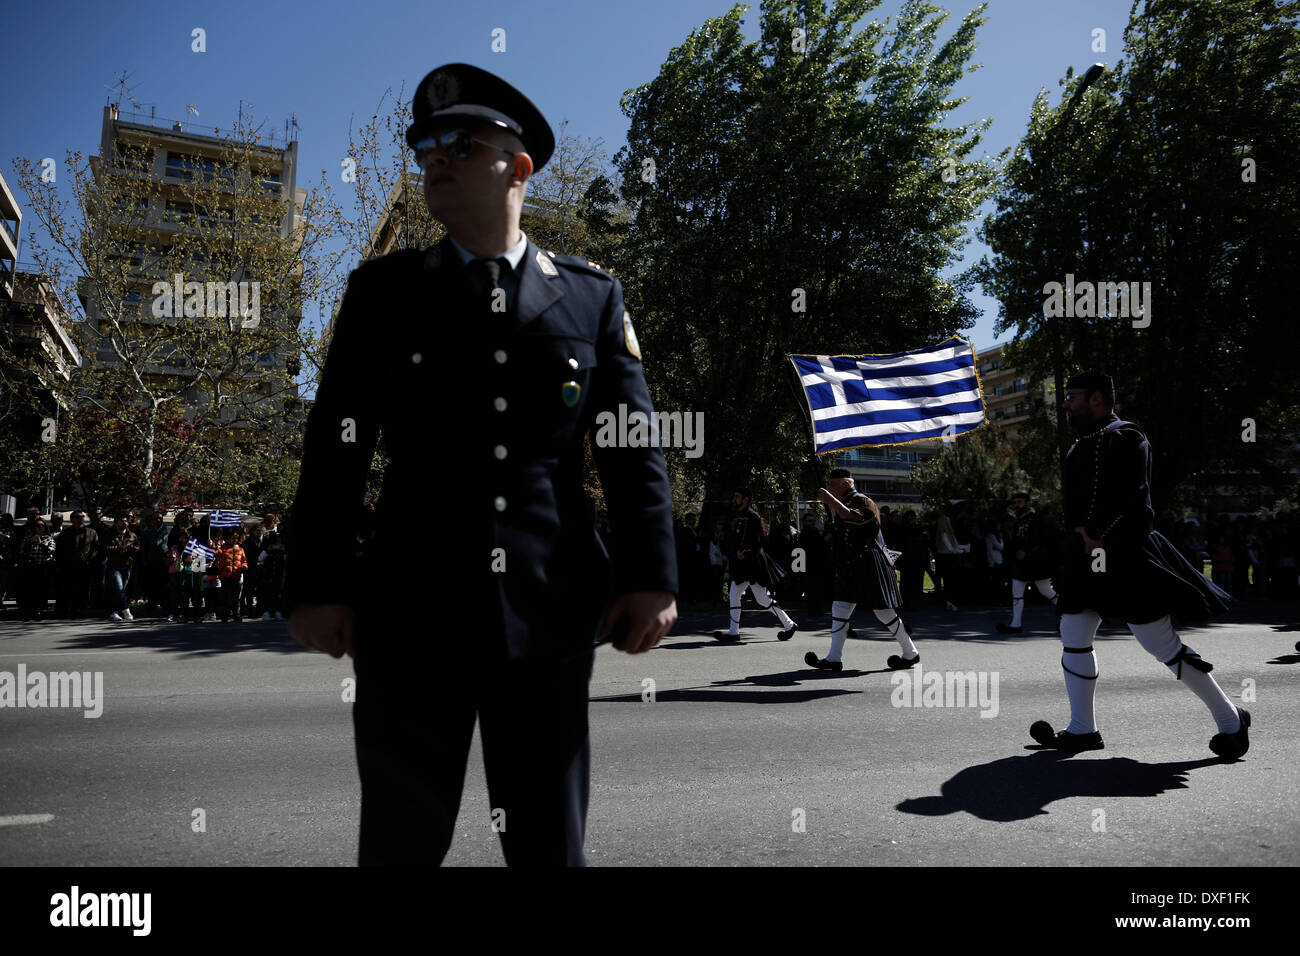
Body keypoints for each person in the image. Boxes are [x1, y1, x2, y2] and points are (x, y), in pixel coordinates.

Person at [285, 63, 678, 867]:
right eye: (427, 144)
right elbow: (338, 446)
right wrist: (317, 581)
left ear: (520, 168)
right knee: (400, 844)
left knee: (548, 845)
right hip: (408, 612)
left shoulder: (590, 299)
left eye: (461, 144)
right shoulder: (382, 292)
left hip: (549, 613)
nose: (436, 158)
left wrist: (652, 575)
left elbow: (631, 445)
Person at [1029, 371, 1250, 760]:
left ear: (1097, 398)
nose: (1066, 403)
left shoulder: (1127, 436)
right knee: (1074, 629)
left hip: (1126, 553)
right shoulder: (1083, 442)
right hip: (1086, 556)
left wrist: (1098, 532)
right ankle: (1083, 729)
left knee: (1158, 643)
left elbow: (1136, 498)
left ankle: (1231, 722)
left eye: (1073, 396)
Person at [805, 469, 918, 672]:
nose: (830, 488)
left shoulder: (863, 501)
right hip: (850, 564)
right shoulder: (844, 503)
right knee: (839, 607)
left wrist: (831, 501)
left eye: (834, 484)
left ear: (846, 484)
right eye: (829, 485)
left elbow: (857, 519)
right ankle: (833, 658)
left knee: (883, 612)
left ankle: (910, 653)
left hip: (868, 563)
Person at [711, 487, 797, 641]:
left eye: (737, 496)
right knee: (734, 595)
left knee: (762, 599)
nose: (734, 499)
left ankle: (789, 624)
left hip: (753, 564)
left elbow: (762, 541)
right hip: (741, 565)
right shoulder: (736, 515)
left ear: (745, 499)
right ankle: (733, 632)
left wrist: (745, 551)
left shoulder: (754, 517)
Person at [996, 493, 1060, 634]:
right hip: (1020, 563)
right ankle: (1015, 624)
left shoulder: (1036, 519)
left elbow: (1041, 539)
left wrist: (1027, 551)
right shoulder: (1018, 520)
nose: (1017, 505)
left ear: (1028, 503)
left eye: (1020, 502)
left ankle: (1067, 616)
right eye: (1016, 502)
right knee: (1017, 594)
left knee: (1046, 591)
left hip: (1035, 562)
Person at [55, 511, 98, 617]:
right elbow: (59, 550)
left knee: (83, 588)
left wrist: (90, 559)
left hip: (85, 565)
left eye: (82, 517)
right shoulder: (65, 533)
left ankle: (81, 609)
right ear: (72, 519)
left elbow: (95, 548)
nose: (81, 519)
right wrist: (61, 563)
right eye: (78, 517)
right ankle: (66, 610)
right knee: (67, 588)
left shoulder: (91, 532)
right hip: (68, 566)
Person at [15, 516, 56, 620]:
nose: (40, 527)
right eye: (38, 526)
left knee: (42, 590)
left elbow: (51, 551)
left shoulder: (49, 538)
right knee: (29, 590)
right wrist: (30, 542)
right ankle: (28, 611)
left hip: (43, 567)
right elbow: (22, 551)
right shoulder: (28, 538)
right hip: (30, 567)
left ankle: (39, 611)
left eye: (42, 525)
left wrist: (40, 543)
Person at [103, 515, 141, 622]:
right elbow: (105, 548)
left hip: (127, 565)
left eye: (125, 521)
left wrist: (132, 549)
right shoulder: (110, 534)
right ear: (116, 523)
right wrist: (120, 548)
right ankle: (125, 609)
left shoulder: (132, 535)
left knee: (121, 590)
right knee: (119, 588)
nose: (124, 523)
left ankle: (113, 611)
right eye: (121, 521)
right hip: (114, 566)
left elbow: (138, 548)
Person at [215, 529, 248, 622]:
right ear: (228, 538)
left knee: (236, 597)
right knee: (225, 597)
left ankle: (236, 614)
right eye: (233, 538)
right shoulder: (223, 548)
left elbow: (244, 561)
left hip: (236, 576)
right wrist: (214, 546)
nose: (234, 539)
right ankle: (225, 615)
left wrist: (244, 566)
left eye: (236, 538)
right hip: (225, 576)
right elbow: (215, 553)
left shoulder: (241, 549)